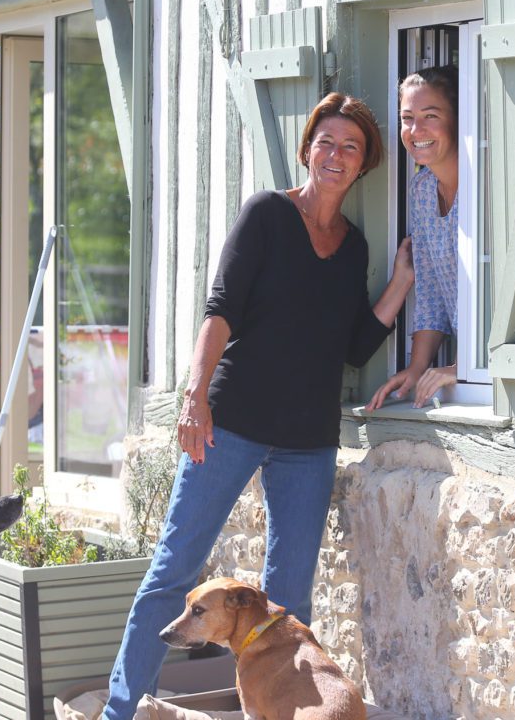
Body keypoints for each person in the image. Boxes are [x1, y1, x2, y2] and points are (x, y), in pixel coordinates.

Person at [102, 93, 414, 720]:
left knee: (287, 601)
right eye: (325, 141)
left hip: (308, 441)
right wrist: (194, 400)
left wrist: (403, 282)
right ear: (307, 149)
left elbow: (352, 346)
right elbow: (221, 311)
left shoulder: (352, 246)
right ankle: (118, 711)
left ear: (363, 166)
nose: (336, 154)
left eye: (350, 147)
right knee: (174, 574)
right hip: (230, 424)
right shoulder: (266, 214)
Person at [366, 65, 461, 411]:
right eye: (407, 118)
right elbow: (432, 293)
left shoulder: (486, 186)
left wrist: (467, 370)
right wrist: (418, 368)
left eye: (430, 116)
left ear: (456, 118)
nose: (415, 130)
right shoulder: (421, 191)